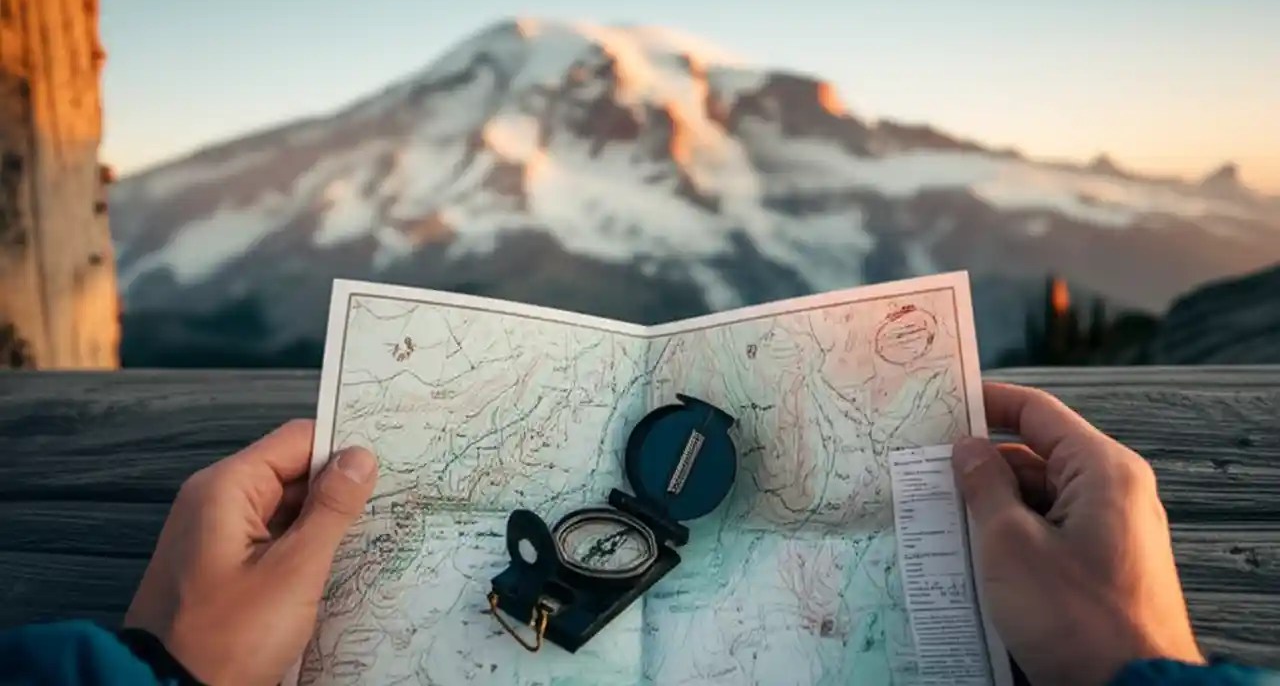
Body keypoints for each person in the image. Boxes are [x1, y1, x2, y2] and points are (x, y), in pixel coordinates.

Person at [0, 384, 1274, 685]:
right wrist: (1131, 666)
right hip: (605, 547)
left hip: (601, 543)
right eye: (613, 548)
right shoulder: (629, 533)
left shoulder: (624, 528)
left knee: (580, 569)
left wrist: (164, 674)